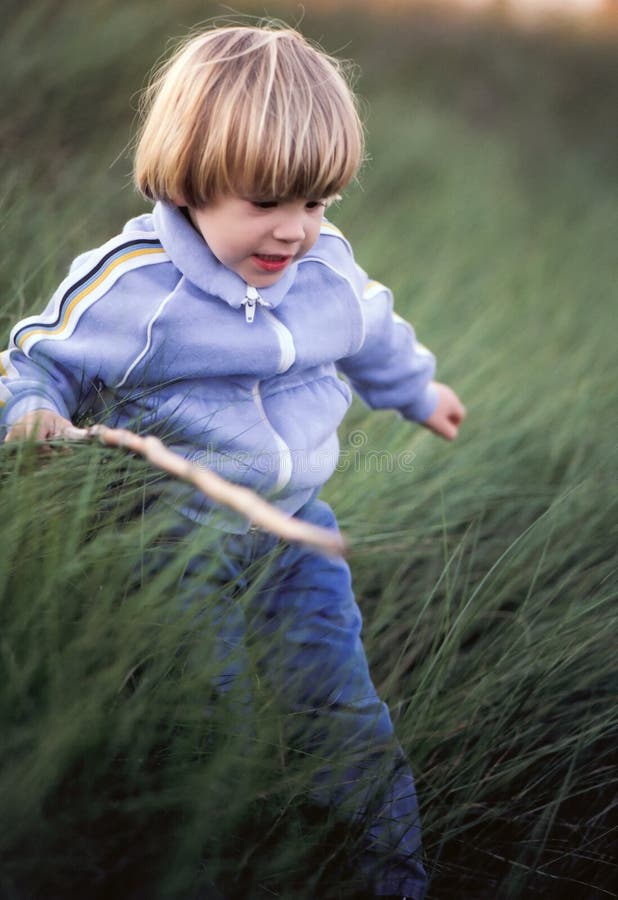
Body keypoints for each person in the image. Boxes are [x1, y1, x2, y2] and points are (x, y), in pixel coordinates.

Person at [0, 24, 465, 899]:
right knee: (209, 720)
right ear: (192, 179)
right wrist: (29, 413)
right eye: (265, 202)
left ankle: (391, 875)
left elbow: (371, 332)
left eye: (318, 202)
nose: (295, 231)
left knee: (344, 708)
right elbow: (33, 360)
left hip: (296, 532)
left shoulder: (324, 266)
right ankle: (214, 862)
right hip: (173, 542)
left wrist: (417, 392)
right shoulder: (134, 286)